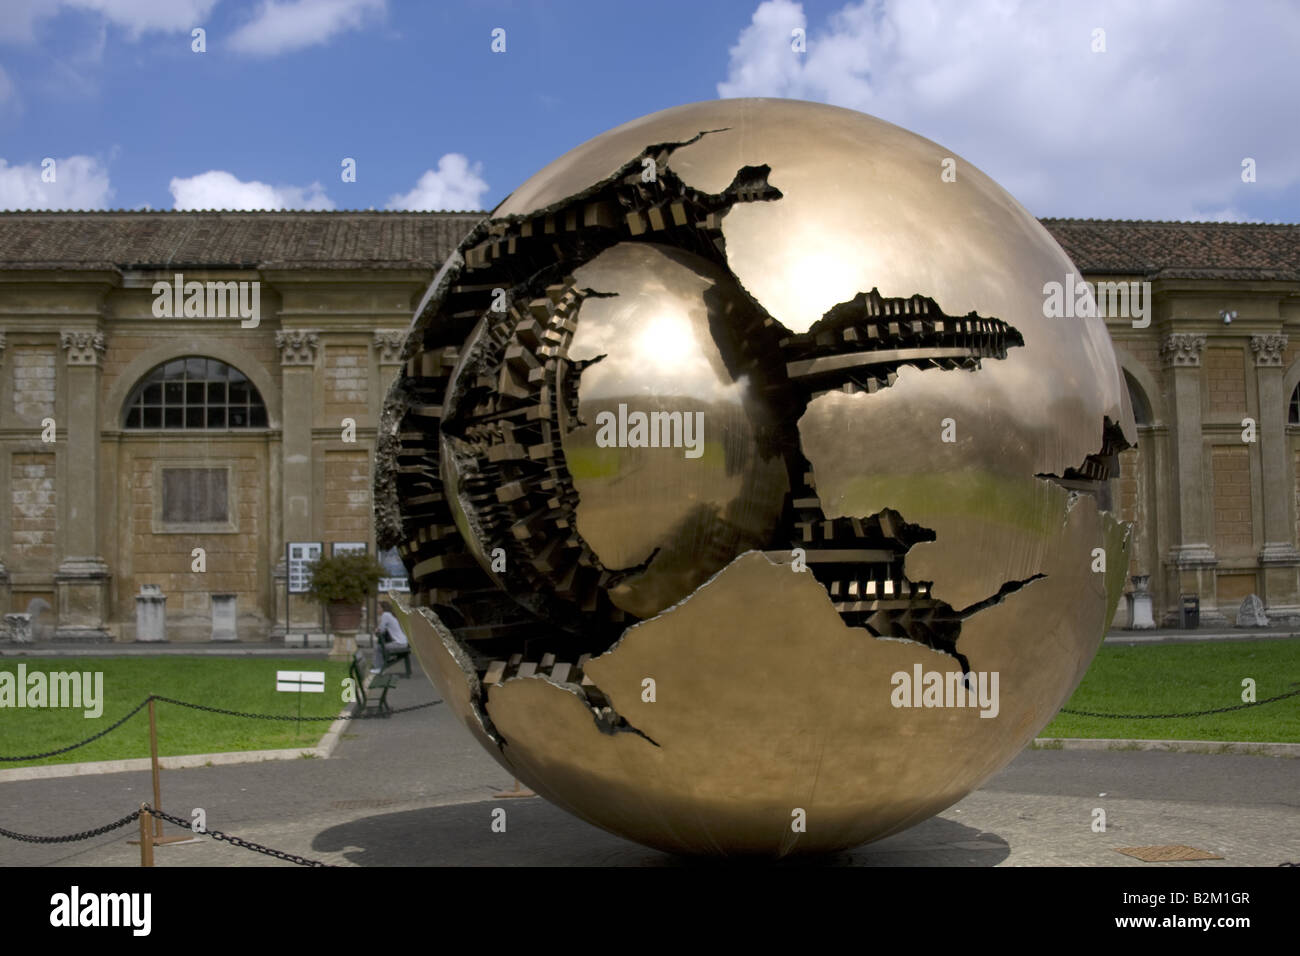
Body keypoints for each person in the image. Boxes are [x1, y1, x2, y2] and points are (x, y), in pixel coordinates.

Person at [372, 601, 408, 674]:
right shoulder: (390, 615)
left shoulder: (386, 615)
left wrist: (376, 630)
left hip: (399, 643)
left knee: (379, 648)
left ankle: (379, 668)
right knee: (381, 647)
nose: (377, 609)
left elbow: (381, 629)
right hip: (403, 642)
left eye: (379, 608)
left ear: (383, 609)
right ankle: (381, 666)